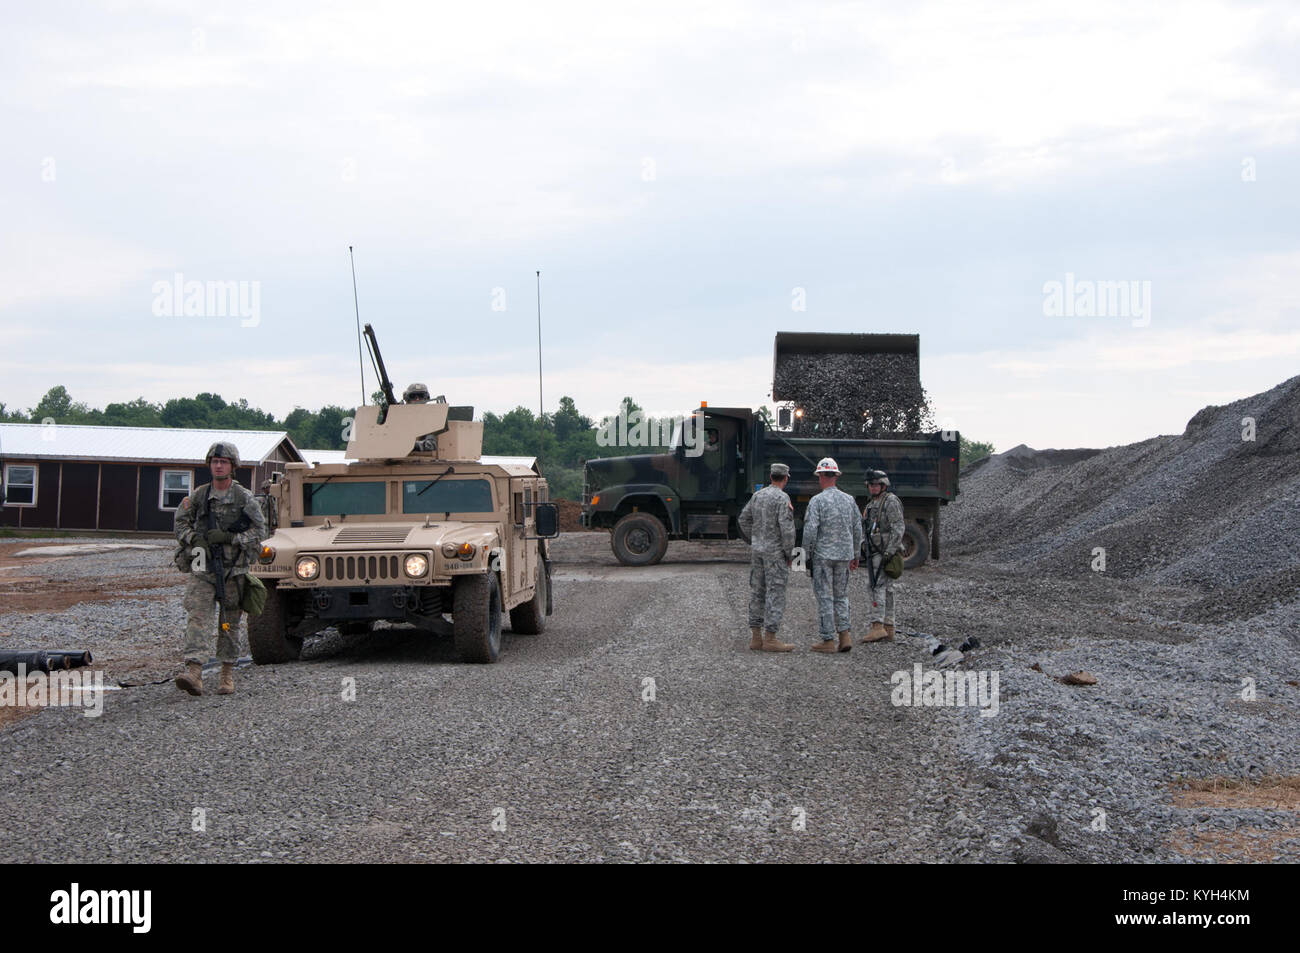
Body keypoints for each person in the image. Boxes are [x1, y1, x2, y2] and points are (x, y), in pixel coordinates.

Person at [173, 442, 267, 696]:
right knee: (198, 617)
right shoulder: (199, 495)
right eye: (214, 461)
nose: (218, 465)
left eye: (223, 462)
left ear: (232, 466)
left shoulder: (243, 498)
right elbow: (180, 523)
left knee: (229, 623)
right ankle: (194, 672)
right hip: (203, 568)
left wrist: (231, 539)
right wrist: (195, 539)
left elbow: (260, 531)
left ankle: (226, 674)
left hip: (233, 570)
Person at [802, 457, 863, 654]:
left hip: (823, 556)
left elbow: (810, 530)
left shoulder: (817, 501)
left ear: (820, 476)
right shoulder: (849, 500)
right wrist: (856, 554)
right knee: (841, 595)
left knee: (824, 597)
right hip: (844, 556)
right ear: (836, 476)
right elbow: (857, 529)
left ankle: (828, 639)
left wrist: (805, 555)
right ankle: (845, 635)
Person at [737, 463, 797, 652]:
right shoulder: (782, 498)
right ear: (785, 478)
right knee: (775, 592)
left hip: (758, 551)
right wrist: (789, 553)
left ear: (771, 476)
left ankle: (756, 637)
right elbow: (787, 530)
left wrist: (753, 539)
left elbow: (743, 519)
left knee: (757, 591)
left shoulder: (758, 495)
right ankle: (770, 638)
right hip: (775, 553)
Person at [861, 469, 905, 643]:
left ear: (883, 485)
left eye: (876, 485)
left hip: (884, 551)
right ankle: (888, 627)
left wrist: (890, 551)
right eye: (870, 485)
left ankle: (878, 625)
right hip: (876, 550)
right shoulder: (873, 503)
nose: (872, 487)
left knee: (877, 586)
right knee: (885, 588)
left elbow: (898, 527)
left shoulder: (890, 501)